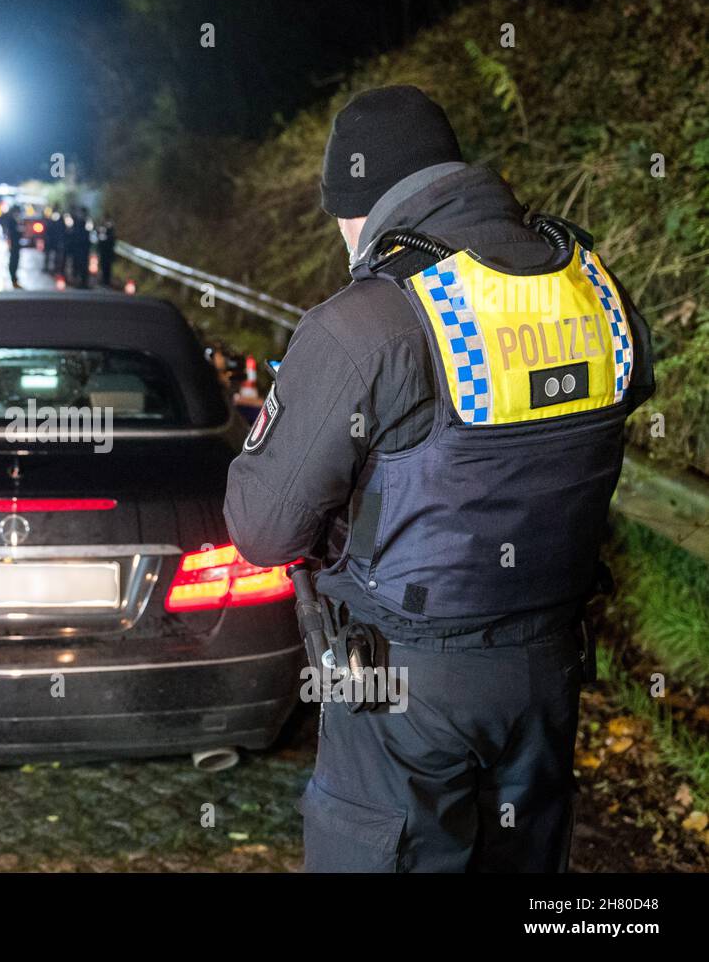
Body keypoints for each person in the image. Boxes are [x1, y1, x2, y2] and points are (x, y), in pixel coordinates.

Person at [223, 85, 655, 873]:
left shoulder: (367, 322)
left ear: (361, 205)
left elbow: (262, 529)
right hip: (548, 674)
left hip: (402, 690)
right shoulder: (594, 285)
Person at [66, 208, 92, 287]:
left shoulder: (87, 222)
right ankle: (76, 280)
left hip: (83, 248)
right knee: (76, 264)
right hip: (77, 247)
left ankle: (83, 282)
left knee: (83, 265)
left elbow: (88, 234)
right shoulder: (75, 222)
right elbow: (71, 233)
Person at [0, 204, 23, 289]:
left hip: (15, 243)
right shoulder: (12, 220)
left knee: (15, 260)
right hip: (14, 244)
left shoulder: (14, 219)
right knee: (13, 260)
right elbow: (11, 232)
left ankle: (14, 279)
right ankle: (13, 280)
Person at [96, 217, 117, 287]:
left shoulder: (110, 231)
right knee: (104, 266)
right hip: (104, 252)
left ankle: (106, 281)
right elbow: (100, 239)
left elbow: (112, 241)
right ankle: (104, 280)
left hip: (108, 252)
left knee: (107, 267)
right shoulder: (104, 230)